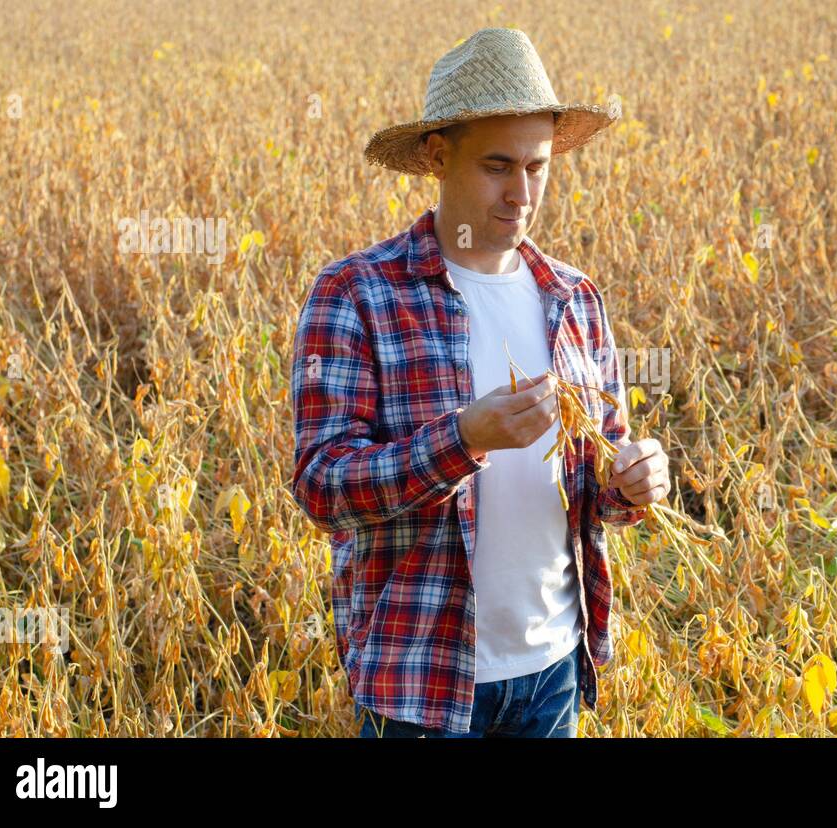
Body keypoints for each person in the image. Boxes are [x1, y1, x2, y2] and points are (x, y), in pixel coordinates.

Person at [289, 27, 670, 738]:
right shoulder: (356, 294)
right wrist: (464, 439)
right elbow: (322, 487)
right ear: (437, 156)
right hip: (421, 684)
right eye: (499, 166)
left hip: (554, 670)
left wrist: (632, 482)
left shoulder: (574, 298)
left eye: (538, 166)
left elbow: (598, 483)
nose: (521, 194)